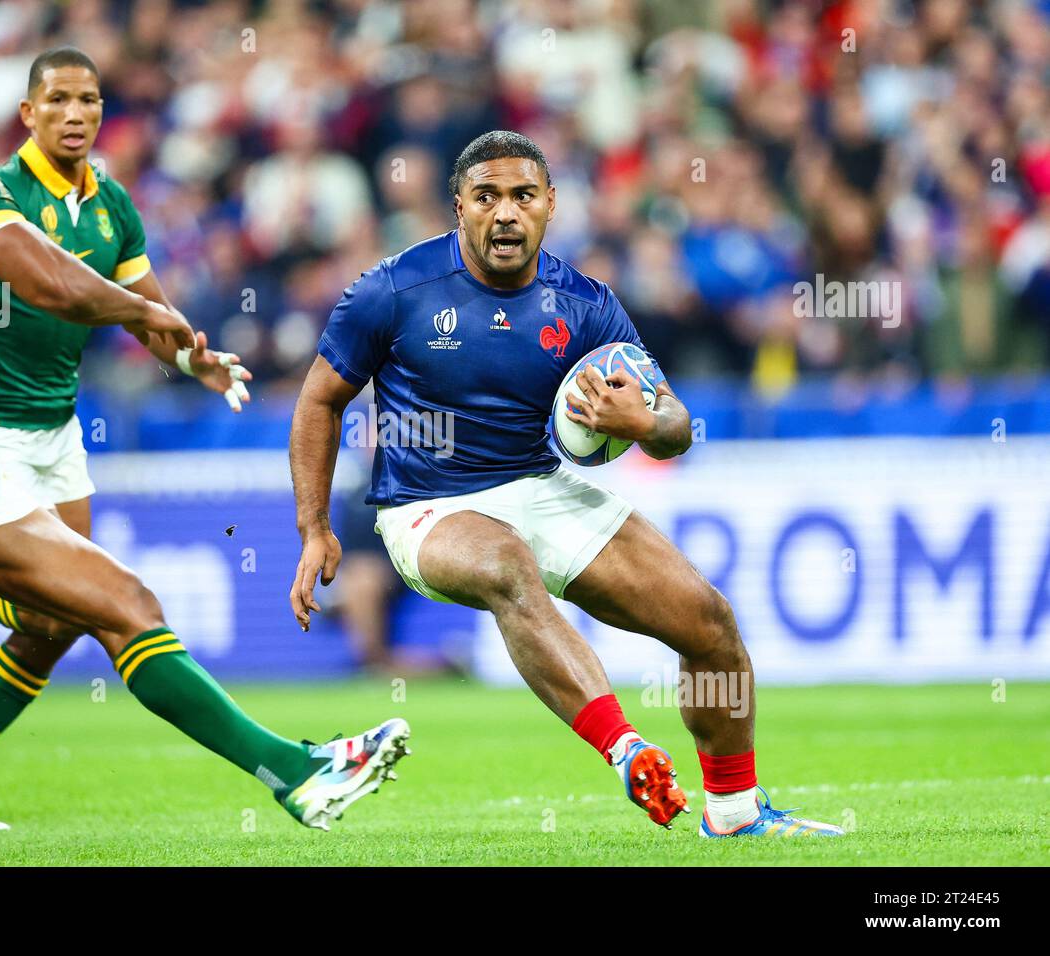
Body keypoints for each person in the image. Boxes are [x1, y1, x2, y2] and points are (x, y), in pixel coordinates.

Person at [0, 37, 408, 833]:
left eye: (88, 99)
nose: (73, 114)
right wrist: (138, 310)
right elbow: (43, 277)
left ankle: (295, 774)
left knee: (120, 603)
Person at [288, 130, 842, 838]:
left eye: (523, 196)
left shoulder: (584, 304)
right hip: (427, 507)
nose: (506, 213)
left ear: (551, 203)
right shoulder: (392, 289)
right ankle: (626, 748)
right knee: (506, 564)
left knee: (710, 624)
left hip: (540, 485)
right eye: (486, 197)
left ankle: (735, 815)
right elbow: (318, 401)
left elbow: (674, 423)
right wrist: (314, 527)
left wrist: (641, 420)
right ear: (459, 207)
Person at [0, 45, 254, 830]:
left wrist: (196, 361)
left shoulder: (113, 206)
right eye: (57, 99)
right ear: (27, 114)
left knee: (61, 623)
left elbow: (147, 311)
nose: (76, 114)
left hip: (58, 434)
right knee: (47, 615)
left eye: (89, 100)